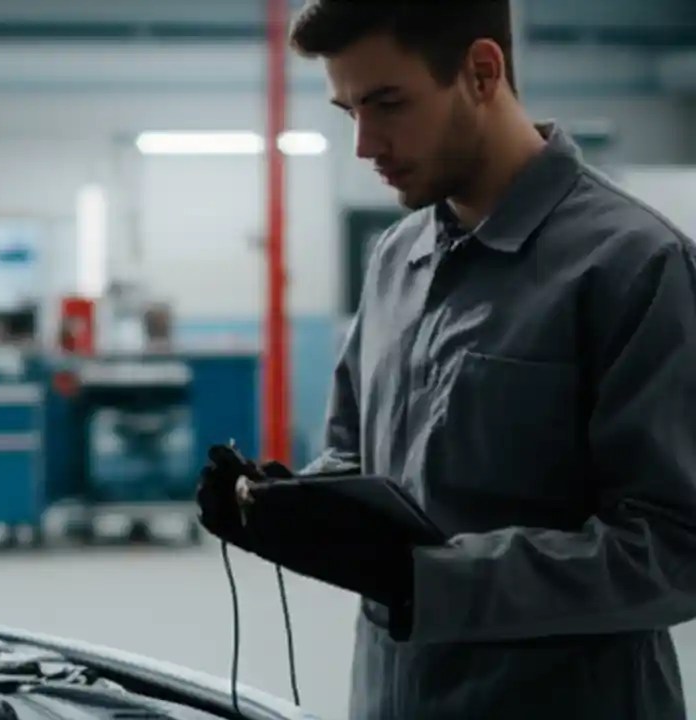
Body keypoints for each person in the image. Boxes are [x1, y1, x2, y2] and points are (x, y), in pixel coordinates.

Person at [196, 1, 696, 718]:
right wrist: (286, 509)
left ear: (482, 72)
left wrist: (427, 580)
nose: (365, 144)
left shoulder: (636, 266)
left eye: (388, 103)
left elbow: (674, 550)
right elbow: (351, 455)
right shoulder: (396, 260)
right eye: (349, 112)